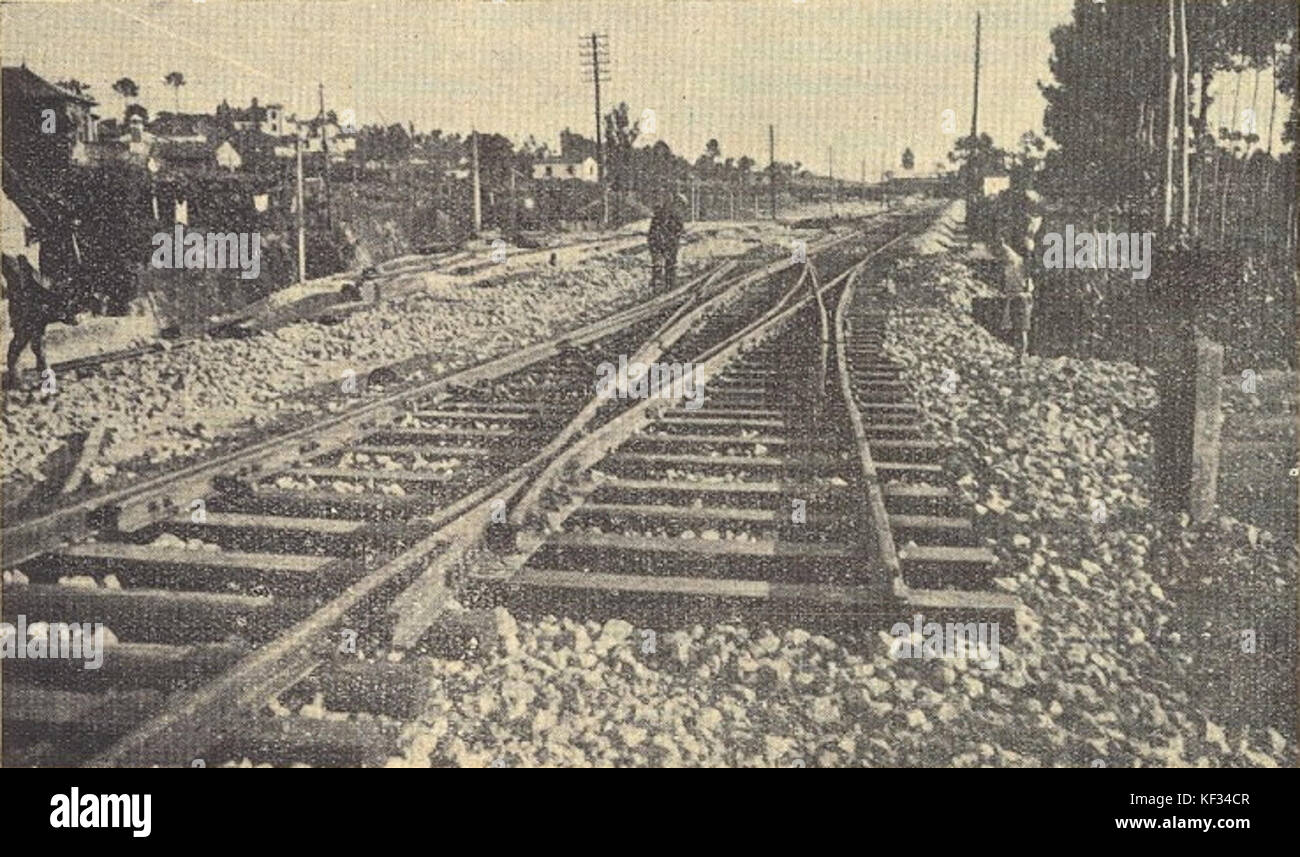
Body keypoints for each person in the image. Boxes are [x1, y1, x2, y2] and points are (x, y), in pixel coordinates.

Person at [3, 252, 79, 389]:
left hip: (32, 308)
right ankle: (29, 380)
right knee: (28, 344)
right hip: (27, 308)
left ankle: (36, 380)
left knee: (31, 345)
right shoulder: (14, 263)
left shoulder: (22, 264)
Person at [648, 194, 685, 289]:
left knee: (657, 265)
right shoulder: (676, 213)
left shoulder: (660, 212)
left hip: (656, 241)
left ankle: (657, 286)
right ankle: (670, 286)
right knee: (670, 265)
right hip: (668, 242)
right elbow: (679, 230)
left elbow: (652, 230)